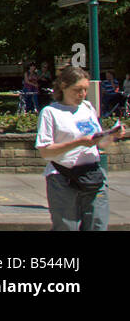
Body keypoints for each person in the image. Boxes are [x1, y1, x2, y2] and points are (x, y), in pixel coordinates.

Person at [36, 65, 127, 230]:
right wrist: (78, 143)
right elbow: (45, 151)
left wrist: (112, 136)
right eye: (77, 89)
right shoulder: (51, 112)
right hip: (63, 177)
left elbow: (98, 143)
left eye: (85, 90)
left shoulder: (87, 108)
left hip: (93, 175)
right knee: (67, 226)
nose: (82, 94)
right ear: (63, 87)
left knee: (97, 225)